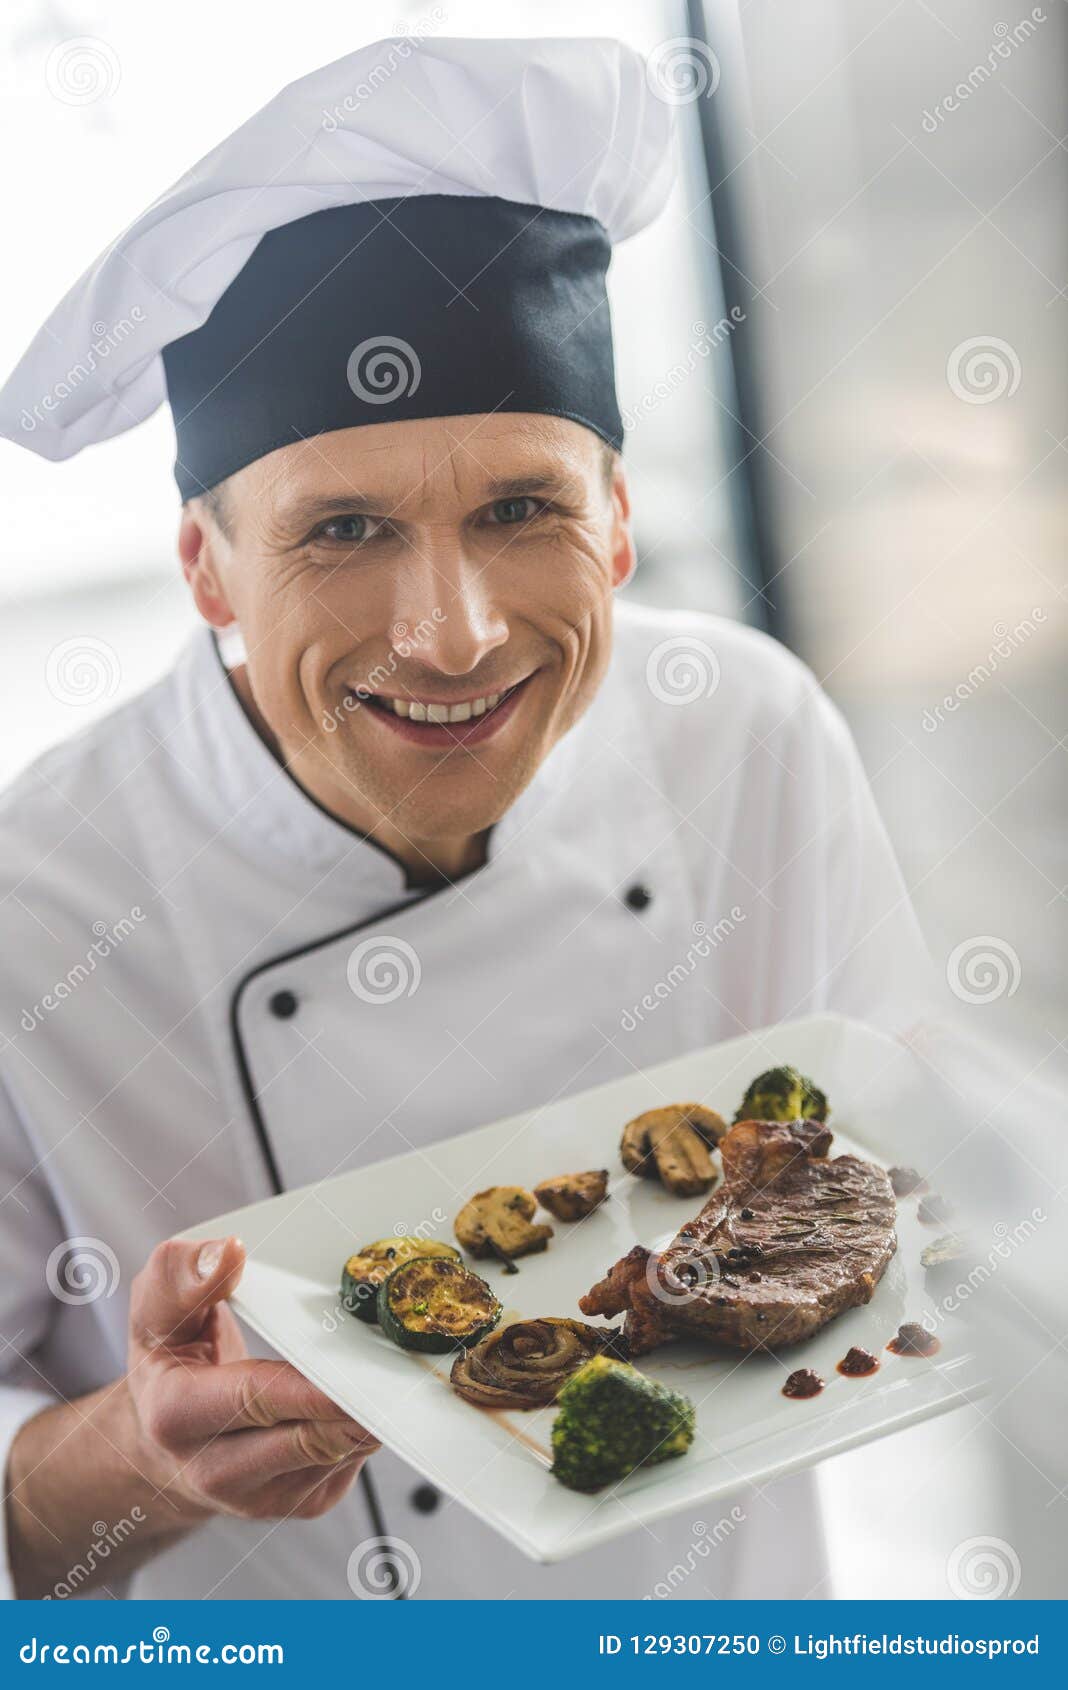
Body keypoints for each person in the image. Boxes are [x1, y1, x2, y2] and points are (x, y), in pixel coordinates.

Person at [0, 36, 930, 1600]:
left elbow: (925, 1176)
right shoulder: (36, 901)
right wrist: (141, 1457)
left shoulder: (747, 734)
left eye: (521, 509)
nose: (453, 634)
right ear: (209, 568)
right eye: (344, 531)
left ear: (619, 521)